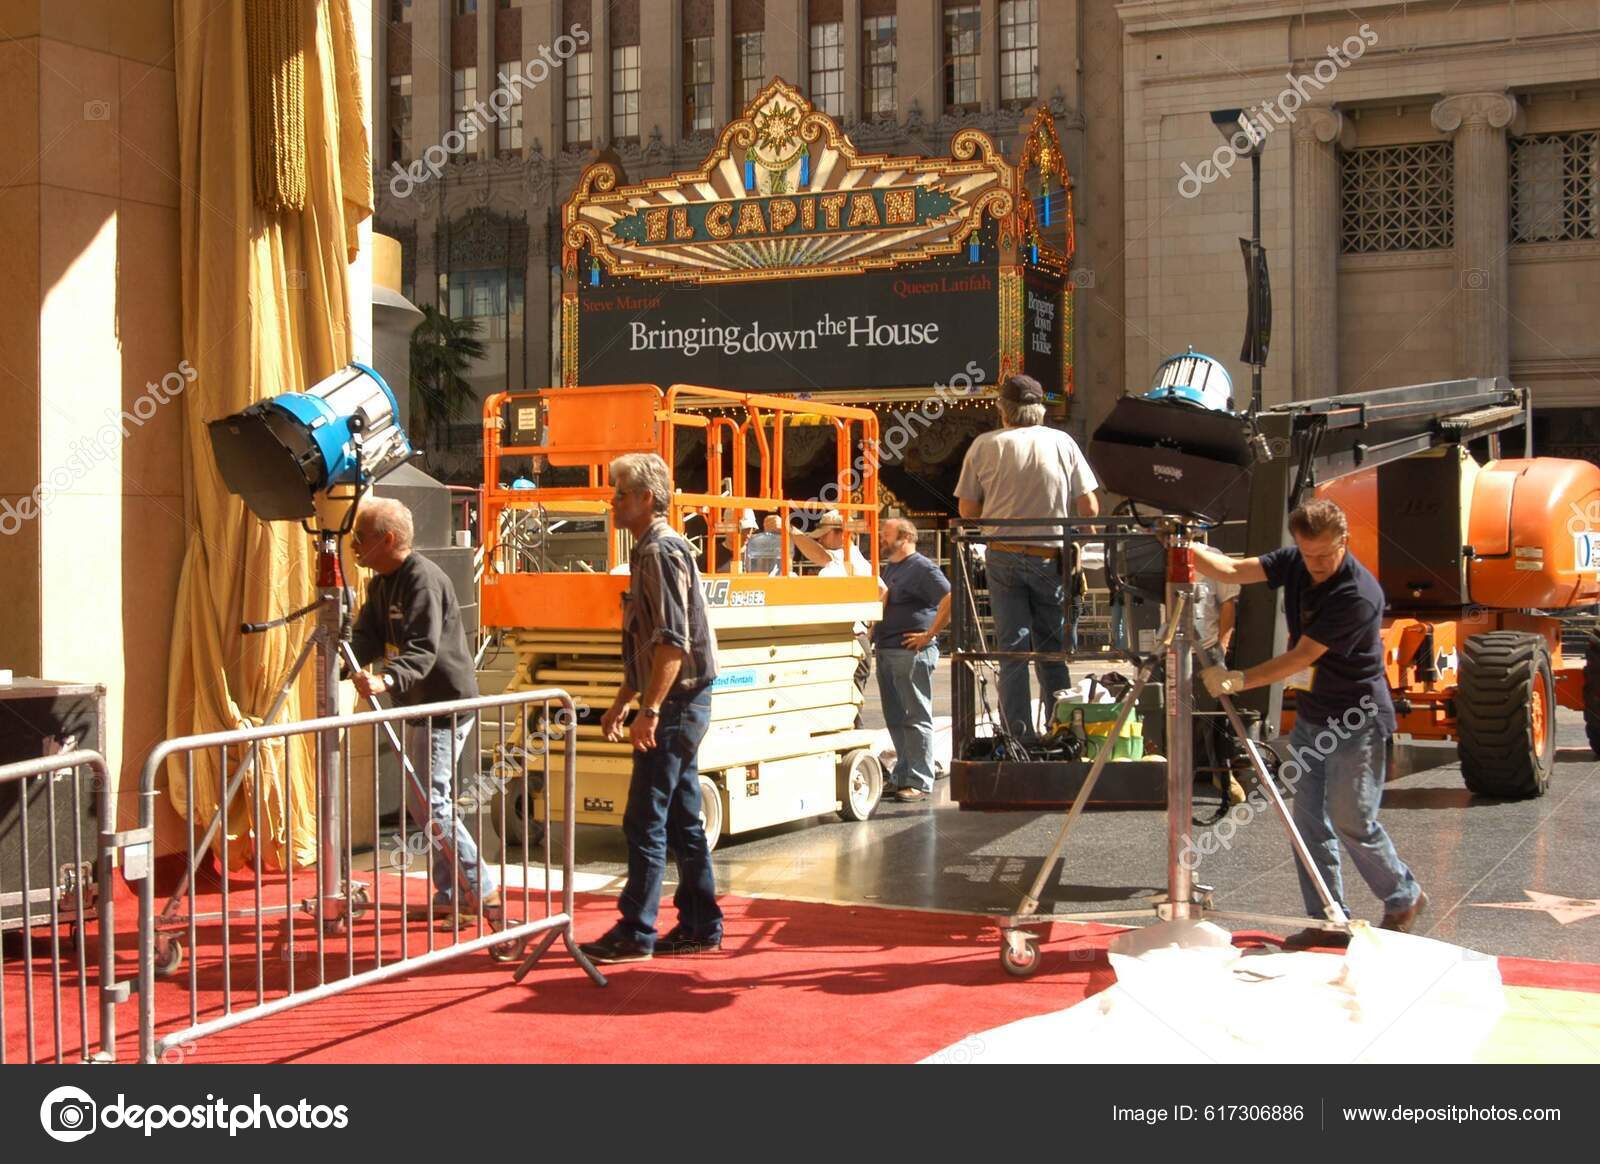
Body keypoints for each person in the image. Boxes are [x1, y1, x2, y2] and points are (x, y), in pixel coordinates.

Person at [1192, 498, 1426, 948]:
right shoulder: (1297, 561)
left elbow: (1301, 657)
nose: (1315, 564)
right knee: (1307, 823)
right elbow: (1233, 570)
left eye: (1325, 554)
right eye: (1307, 553)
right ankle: (1327, 918)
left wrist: (1238, 679)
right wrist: (1183, 546)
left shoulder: (1356, 594)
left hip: (1356, 719)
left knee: (1351, 819)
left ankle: (1404, 896)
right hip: (1315, 714)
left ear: (1345, 541)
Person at [581, 453, 723, 963]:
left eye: (620, 493)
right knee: (681, 819)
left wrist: (651, 709)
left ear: (645, 498)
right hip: (682, 698)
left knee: (645, 818)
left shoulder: (659, 551)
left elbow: (670, 641)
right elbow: (650, 643)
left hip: (679, 700)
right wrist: (626, 700)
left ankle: (637, 930)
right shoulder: (653, 549)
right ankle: (700, 924)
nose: (612, 500)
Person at [349, 497, 500, 922]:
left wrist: (387, 679)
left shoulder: (422, 580)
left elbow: (422, 648)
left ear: (387, 539)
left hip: (443, 705)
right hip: (417, 705)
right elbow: (367, 637)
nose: (354, 545)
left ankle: (480, 888)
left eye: (361, 537)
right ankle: (453, 892)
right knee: (426, 802)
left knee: (430, 803)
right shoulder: (381, 584)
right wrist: (342, 659)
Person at [955, 374, 1100, 740]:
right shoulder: (1062, 442)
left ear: (1003, 410)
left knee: (1013, 651)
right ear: (1040, 410)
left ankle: (1018, 735)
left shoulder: (984, 445)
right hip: (1050, 557)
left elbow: (967, 510)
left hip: (1003, 555)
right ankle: (1060, 730)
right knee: (1052, 651)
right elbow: (1090, 507)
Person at [875, 518, 952, 803]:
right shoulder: (892, 567)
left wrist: (929, 635)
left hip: (910, 652)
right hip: (887, 649)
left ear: (905, 537)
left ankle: (918, 780)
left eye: (886, 534)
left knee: (915, 715)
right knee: (896, 717)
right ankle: (903, 775)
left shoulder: (922, 567)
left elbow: (950, 597)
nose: (881, 538)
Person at [793, 509, 886, 727]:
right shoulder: (847, 559)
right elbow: (881, 590)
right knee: (842, 705)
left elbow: (882, 591)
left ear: (839, 534)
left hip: (851, 640)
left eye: (824, 535)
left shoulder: (846, 560)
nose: (821, 540)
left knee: (847, 709)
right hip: (852, 638)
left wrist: (868, 626)